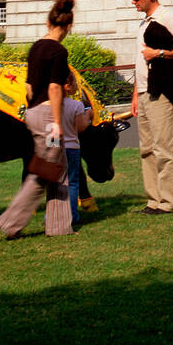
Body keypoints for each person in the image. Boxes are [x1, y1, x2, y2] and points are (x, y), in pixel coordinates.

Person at [0, 0, 76, 240]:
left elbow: (29, 87)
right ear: (68, 26)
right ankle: (9, 222)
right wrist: (58, 123)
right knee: (47, 169)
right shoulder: (58, 52)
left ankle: (60, 226)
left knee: (57, 168)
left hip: (33, 113)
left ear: (49, 23)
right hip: (49, 118)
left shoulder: (36, 48)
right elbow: (54, 88)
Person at [129, 0, 173, 213]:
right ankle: (153, 200)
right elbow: (139, 62)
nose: (133, 3)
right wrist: (135, 94)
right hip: (145, 92)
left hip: (163, 91)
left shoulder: (167, 17)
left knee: (164, 146)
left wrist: (159, 54)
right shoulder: (144, 23)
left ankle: (169, 202)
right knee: (147, 148)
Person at [61, 70, 94, 228]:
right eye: (74, 83)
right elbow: (80, 128)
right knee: (72, 183)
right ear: (67, 86)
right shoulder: (76, 105)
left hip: (53, 146)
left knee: (56, 183)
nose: (76, 86)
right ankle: (72, 216)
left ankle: (52, 215)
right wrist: (88, 116)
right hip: (71, 147)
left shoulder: (48, 104)